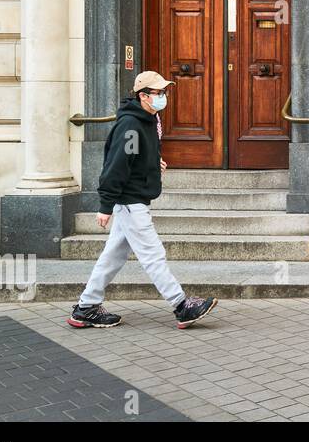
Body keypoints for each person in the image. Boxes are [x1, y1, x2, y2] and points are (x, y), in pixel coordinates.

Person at [67, 70, 218, 330]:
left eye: (164, 92)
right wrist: (105, 206)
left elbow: (133, 157)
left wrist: (151, 162)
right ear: (143, 96)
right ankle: (182, 306)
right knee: (153, 255)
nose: (163, 96)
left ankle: (86, 308)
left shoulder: (147, 119)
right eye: (158, 93)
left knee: (112, 257)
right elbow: (117, 167)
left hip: (132, 200)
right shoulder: (131, 125)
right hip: (130, 202)